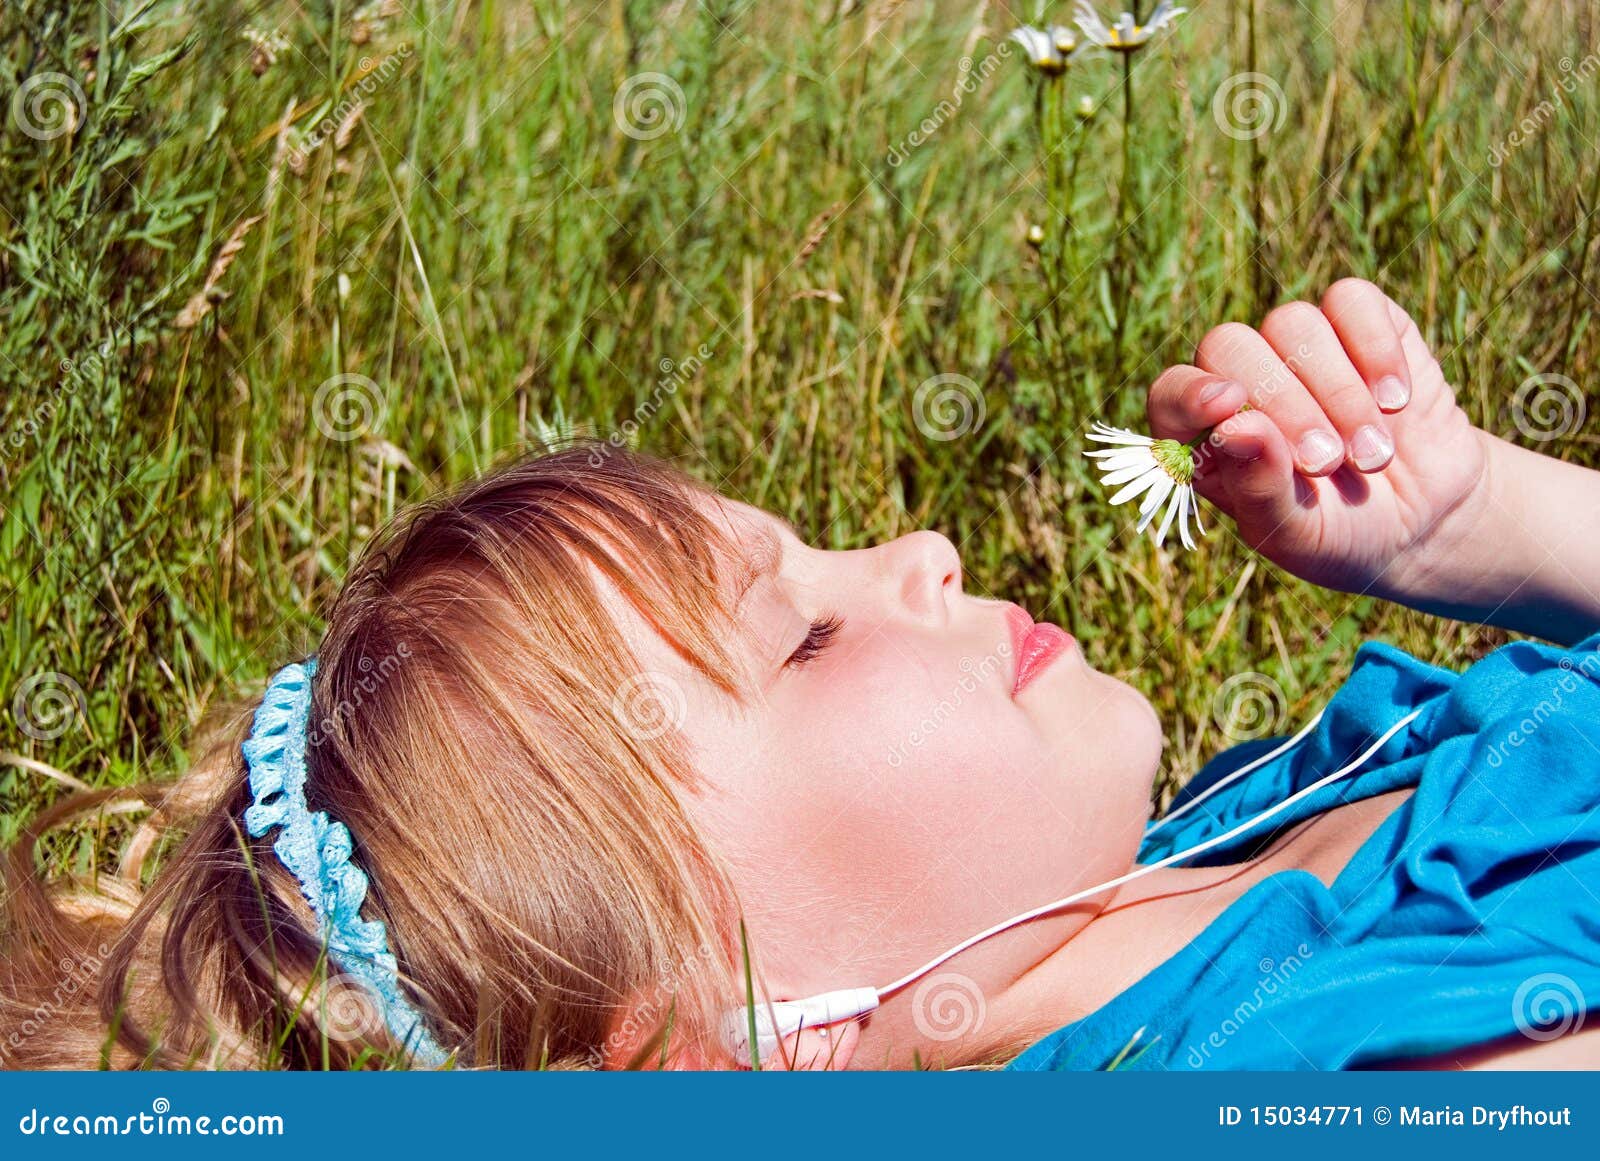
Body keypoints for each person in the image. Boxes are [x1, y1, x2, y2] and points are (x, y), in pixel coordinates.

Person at [4, 278, 1596, 1071]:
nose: (923, 548)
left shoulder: (1213, 849)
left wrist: (1482, 528)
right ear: (723, 1032)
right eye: (806, 638)